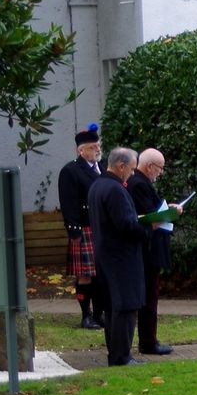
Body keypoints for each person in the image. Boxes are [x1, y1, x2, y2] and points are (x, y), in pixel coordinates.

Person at [87, 147, 148, 367]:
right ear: (121, 166)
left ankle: (116, 354)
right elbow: (126, 225)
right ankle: (122, 357)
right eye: (131, 169)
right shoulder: (114, 189)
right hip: (121, 257)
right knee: (126, 306)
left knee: (113, 306)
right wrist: (150, 226)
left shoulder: (98, 186)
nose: (132, 174)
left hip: (106, 254)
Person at [127, 148, 184, 356]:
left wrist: (167, 208)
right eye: (160, 168)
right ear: (150, 166)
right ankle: (148, 341)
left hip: (150, 248)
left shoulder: (141, 183)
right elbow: (148, 215)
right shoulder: (139, 184)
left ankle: (148, 340)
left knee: (150, 295)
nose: (161, 172)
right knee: (149, 297)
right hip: (148, 250)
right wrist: (170, 213)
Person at [57, 124, 109, 330]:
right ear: (81, 150)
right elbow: (68, 202)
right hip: (84, 229)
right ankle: (85, 315)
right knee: (86, 275)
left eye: (98, 145)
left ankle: (99, 314)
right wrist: (73, 230)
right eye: (93, 146)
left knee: (101, 274)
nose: (98, 149)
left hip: (102, 228)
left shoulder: (103, 167)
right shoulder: (71, 171)